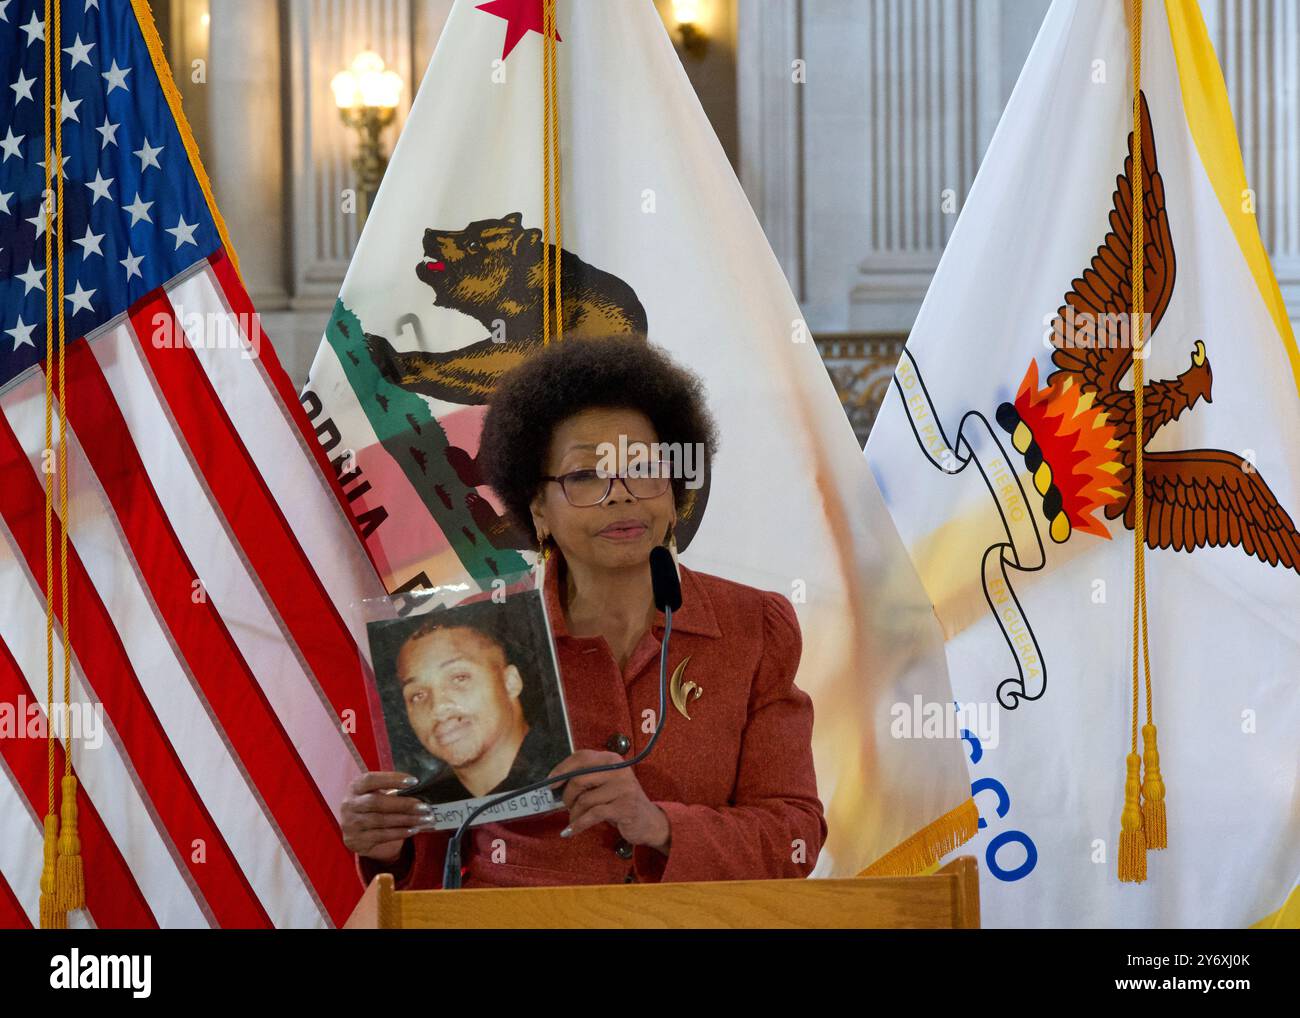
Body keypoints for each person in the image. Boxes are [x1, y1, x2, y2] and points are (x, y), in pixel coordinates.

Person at [341, 336, 826, 887]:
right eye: (585, 476)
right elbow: (435, 864)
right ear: (538, 509)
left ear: (673, 492)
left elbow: (795, 838)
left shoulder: (754, 626)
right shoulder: (469, 637)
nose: (620, 494)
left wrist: (660, 825)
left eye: (643, 467)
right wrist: (388, 847)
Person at [394, 620, 558, 803]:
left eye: (459, 678)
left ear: (510, 682)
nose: (438, 708)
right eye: (417, 695)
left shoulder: (570, 772)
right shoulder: (419, 809)